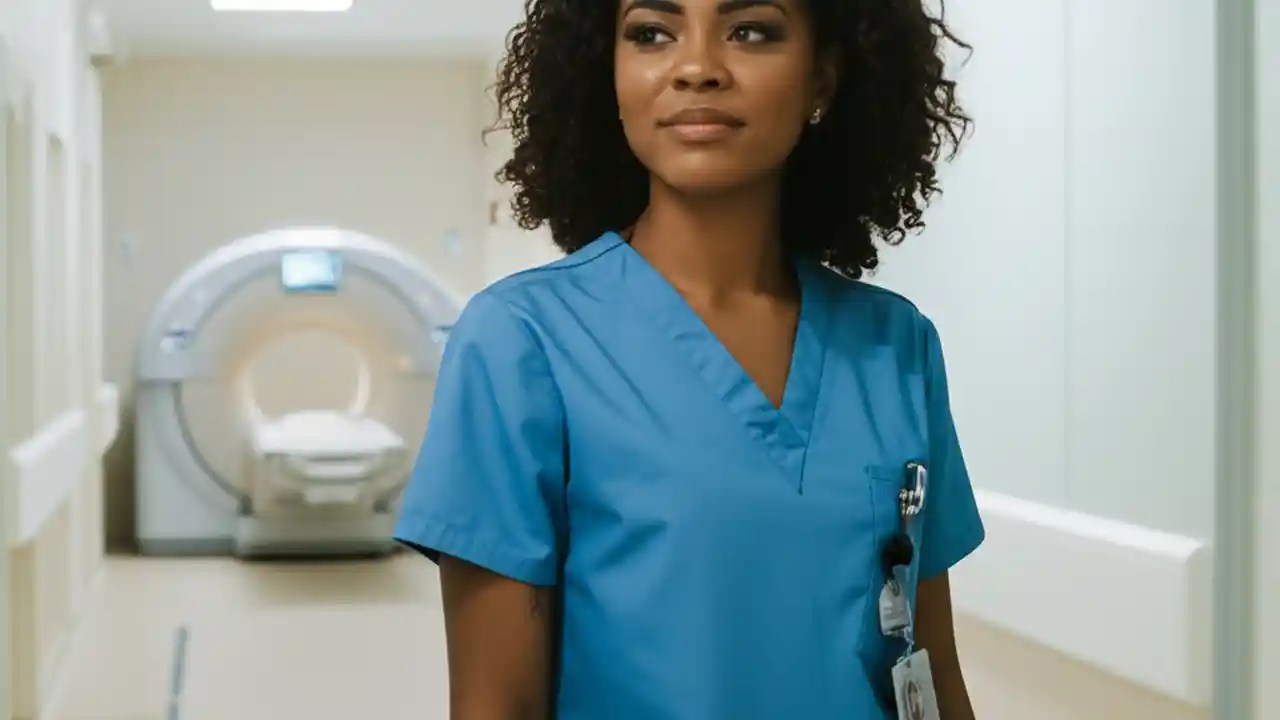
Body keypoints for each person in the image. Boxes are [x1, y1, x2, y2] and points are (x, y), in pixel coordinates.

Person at [393, 0, 985, 717]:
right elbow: (497, 704)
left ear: (823, 80)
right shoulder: (522, 341)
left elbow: (933, 672)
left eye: (750, 31)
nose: (697, 67)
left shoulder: (897, 344)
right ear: (605, 75)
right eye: (651, 33)